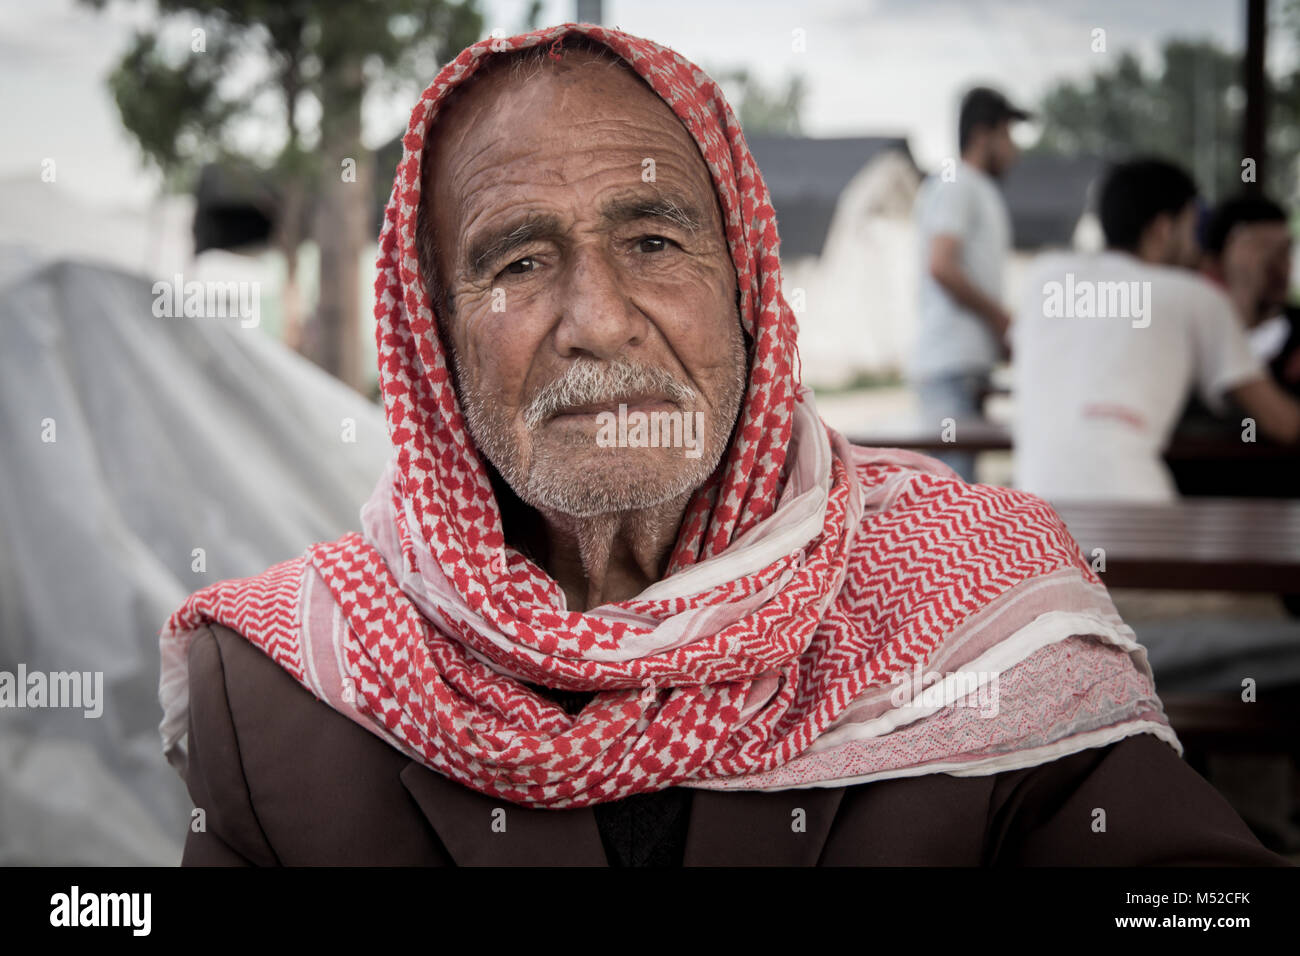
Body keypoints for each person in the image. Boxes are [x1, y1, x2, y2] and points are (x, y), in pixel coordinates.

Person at [158, 27, 1288, 867]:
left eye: (653, 239)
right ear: (433, 340)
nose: (597, 319)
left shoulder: (980, 603)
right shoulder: (277, 694)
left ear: (748, 290)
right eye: (516, 263)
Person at [1013, 158, 1300, 502]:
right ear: (1164, 229)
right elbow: (1283, 424)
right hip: (1137, 509)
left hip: (1033, 510)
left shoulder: (1044, 277)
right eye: (1193, 227)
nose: (1197, 245)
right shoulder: (1193, 296)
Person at [909, 86, 1028, 482]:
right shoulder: (959, 183)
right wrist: (1000, 320)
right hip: (950, 368)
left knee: (956, 499)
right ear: (983, 135)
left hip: (962, 367)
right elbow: (941, 265)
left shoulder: (971, 187)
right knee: (952, 503)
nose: (1014, 149)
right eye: (1008, 135)